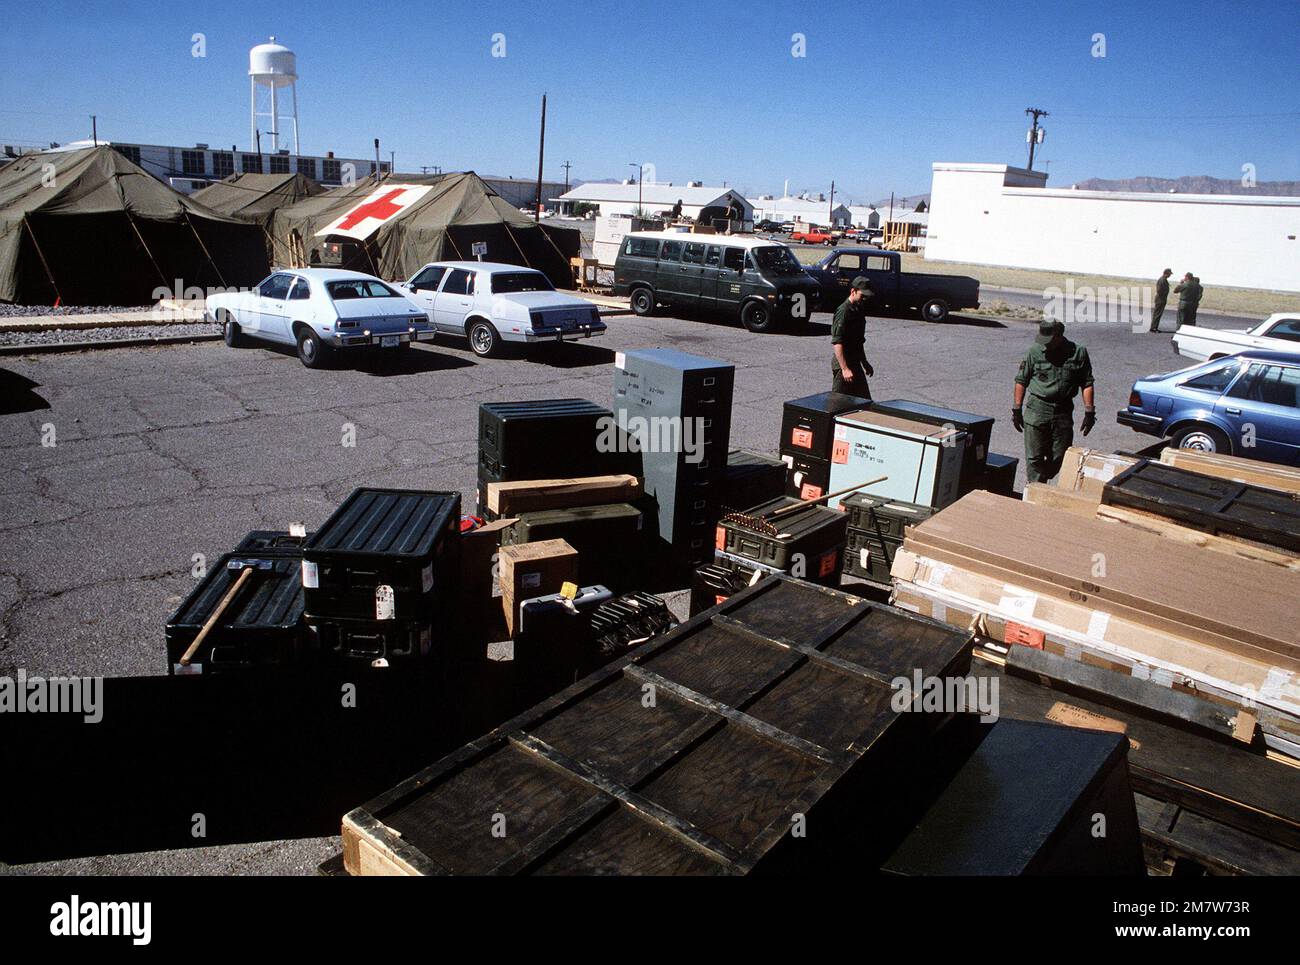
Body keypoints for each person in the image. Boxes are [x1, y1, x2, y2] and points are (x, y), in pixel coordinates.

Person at [1013, 319, 1096, 484]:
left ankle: (1043, 478)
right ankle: (1036, 492)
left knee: (1061, 455)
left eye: (1048, 340)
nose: (1045, 345)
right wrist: (1016, 409)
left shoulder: (1078, 353)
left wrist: (1089, 412)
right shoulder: (1034, 352)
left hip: (1062, 411)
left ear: (1059, 336)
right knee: (1034, 458)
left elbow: (1087, 383)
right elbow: (1021, 380)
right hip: (1037, 409)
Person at [831, 276, 875, 397]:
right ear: (853, 291)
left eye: (867, 296)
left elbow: (858, 341)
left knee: (864, 401)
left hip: (855, 362)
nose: (864, 299)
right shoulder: (844, 311)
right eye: (862, 295)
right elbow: (837, 343)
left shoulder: (858, 309)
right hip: (843, 365)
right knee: (837, 401)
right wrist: (844, 369)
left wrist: (864, 362)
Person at [1149, 268, 1172, 332]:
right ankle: (1153, 328)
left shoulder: (1163, 279)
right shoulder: (1162, 280)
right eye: (1170, 274)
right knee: (1157, 314)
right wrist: (1164, 295)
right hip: (1160, 299)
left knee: (1158, 313)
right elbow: (1159, 290)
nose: (1170, 275)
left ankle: (1154, 327)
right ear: (1167, 273)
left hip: (1161, 299)